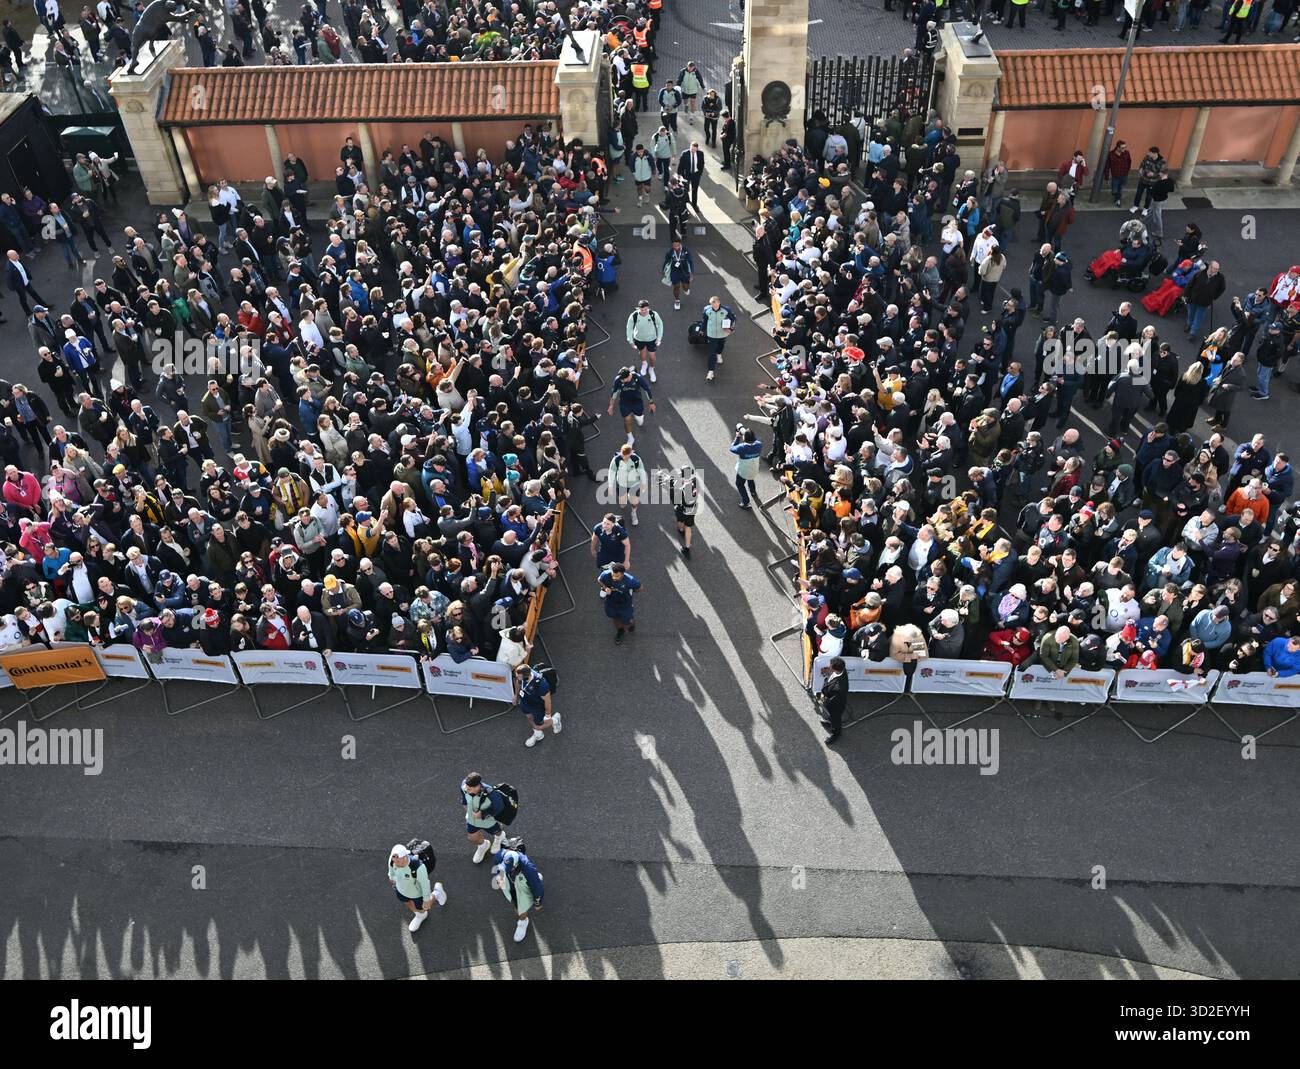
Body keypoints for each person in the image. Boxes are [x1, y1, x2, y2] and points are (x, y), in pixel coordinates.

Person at [489, 842, 544, 943]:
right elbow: (498, 869)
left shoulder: (528, 869)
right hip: (513, 882)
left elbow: (537, 888)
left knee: (519, 907)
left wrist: (538, 902)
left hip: (522, 884)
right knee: (533, 881)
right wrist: (499, 878)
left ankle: (523, 921)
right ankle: (536, 878)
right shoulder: (500, 856)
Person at [387, 842, 446, 933]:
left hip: (416, 894)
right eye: (394, 859)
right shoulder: (392, 860)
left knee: (424, 907)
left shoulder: (418, 867)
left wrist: (426, 899)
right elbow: (391, 872)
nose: (395, 862)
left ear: (405, 856)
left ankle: (437, 893)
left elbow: (425, 884)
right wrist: (391, 877)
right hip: (401, 890)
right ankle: (420, 916)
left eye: (398, 860)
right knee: (407, 903)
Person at [459, 772, 505, 864]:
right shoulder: (464, 786)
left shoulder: (491, 793)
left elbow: (499, 807)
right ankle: (483, 845)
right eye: (466, 788)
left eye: (470, 789)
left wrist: (483, 814)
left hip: (488, 820)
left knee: (496, 831)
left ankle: (500, 837)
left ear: (478, 786)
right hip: (472, 818)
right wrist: (468, 810)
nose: (467, 790)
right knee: (472, 837)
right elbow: (464, 799)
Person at [607, 365, 656, 446]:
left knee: (639, 419)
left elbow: (647, 389)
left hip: (637, 402)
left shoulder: (638, 378)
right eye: (621, 379)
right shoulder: (618, 380)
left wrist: (651, 403)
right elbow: (614, 393)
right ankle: (630, 438)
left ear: (629, 376)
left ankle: (640, 417)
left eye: (623, 379)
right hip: (625, 402)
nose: (621, 380)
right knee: (627, 419)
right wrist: (611, 406)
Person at [515, 661, 561, 747]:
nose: (517, 677)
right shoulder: (522, 675)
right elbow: (518, 682)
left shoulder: (541, 684)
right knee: (529, 717)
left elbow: (547, 700)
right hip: (525, 702)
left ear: (526, 677)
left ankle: (555, 719)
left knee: (539, 725)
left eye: (519, 676)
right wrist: (515, 695)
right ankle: (538, 735)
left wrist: (547, 715)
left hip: (537, 707)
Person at [599, 562, 642, 645]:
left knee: (629, 622)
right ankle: (620, 631)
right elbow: (599, 580)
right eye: (613, 575)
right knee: (615, 618)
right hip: (611, 604)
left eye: (617, 576)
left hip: (625, 606)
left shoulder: (630, 580)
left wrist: (630, 591)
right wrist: (605, 588)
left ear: (623, 574)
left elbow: (640, 588)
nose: (614, 578)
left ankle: (631, 625)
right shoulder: (606, 574)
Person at [607, 442, 648, 526]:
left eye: (627, 456)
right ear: (621, 452)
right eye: (623, 455)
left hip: (634, 484)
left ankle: (633, 513)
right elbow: (611, 473)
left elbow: (642, 471)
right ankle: (624, 500)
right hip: (621, 485)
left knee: (634, 501)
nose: (625, 458)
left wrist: (644, 483)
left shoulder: (636, 459)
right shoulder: (616, 460)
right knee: (622, 502)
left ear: (631, 452)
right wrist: (610, 486)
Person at [625, 298, 664, 382]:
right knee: (642, 353)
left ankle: (651, 369)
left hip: (651, 339)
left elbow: (660, 325)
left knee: (652, 356)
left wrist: (659, 338)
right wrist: (631, 341)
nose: (644, 311)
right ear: (638, 308)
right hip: (639, 339)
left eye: (646, 309)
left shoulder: (653, 314)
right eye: (642, 310)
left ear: (648, 308)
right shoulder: (634, 316)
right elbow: (629, 329)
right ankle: (644, 363)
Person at [701, 294, 735, 381]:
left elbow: (733, 319)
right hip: (711, 334)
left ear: (719, 302)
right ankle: (710, 371)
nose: (714, 307)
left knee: (721, 346)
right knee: (711, 353)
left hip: (722, 333)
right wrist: (702, 330)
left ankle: (719, 354)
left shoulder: (726, 309)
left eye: (715, 304)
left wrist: (730, 329)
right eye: (712, 305)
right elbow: (704, 320)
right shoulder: (707, 310)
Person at [817, 656, 849, 745]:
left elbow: (831, 698)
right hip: (835, 702)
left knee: (836, 719)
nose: (829, 666)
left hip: (836, 706)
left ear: (835, 669)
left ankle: (836, 733)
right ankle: (830, 721)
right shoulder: (842, 670)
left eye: (830, 665)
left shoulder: (839, 688)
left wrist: (823, 698)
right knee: (833, 717)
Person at [731, 427, 763, 510]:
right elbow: (755, 440)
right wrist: (748, 434)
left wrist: (737, 437)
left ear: (744, 438)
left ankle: (746, 502)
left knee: (739, 484)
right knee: (751, 478)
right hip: (754, 469)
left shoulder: (741, 448)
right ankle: (753, 491)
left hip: (743, 471)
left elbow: (732, 448)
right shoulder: (759, 445)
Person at [663, 237, 694, 311]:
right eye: (674, 245)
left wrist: (691, 273)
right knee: (676, 286)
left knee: (685, 286)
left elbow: (690, 261)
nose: (675, 247)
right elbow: (666, 261)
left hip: (685, 271)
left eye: (677, 245)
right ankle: (677, 301)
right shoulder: (670, 252)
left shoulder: (686, 250)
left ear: (680, 244)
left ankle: (686, 289)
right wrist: (663, 270)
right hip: (674, 272)